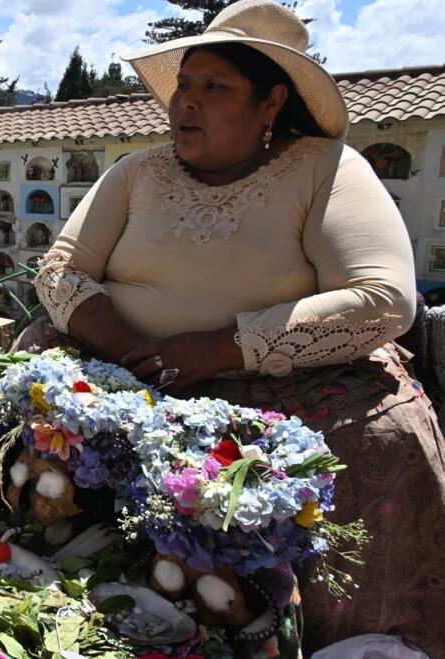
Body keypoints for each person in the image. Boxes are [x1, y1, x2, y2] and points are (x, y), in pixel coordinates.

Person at [26, 1, 444, 655]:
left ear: (271, 102)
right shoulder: (136, 172)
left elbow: (385, 298)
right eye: (183, 86)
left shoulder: (325, 169)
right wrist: (131, 348)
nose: (185, 103)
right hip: (127, 365)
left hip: (275, 386)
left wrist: (218, 348)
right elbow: (59, 271)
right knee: (30, 384)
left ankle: (337, 634)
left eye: (214, 87)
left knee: (386, 435)